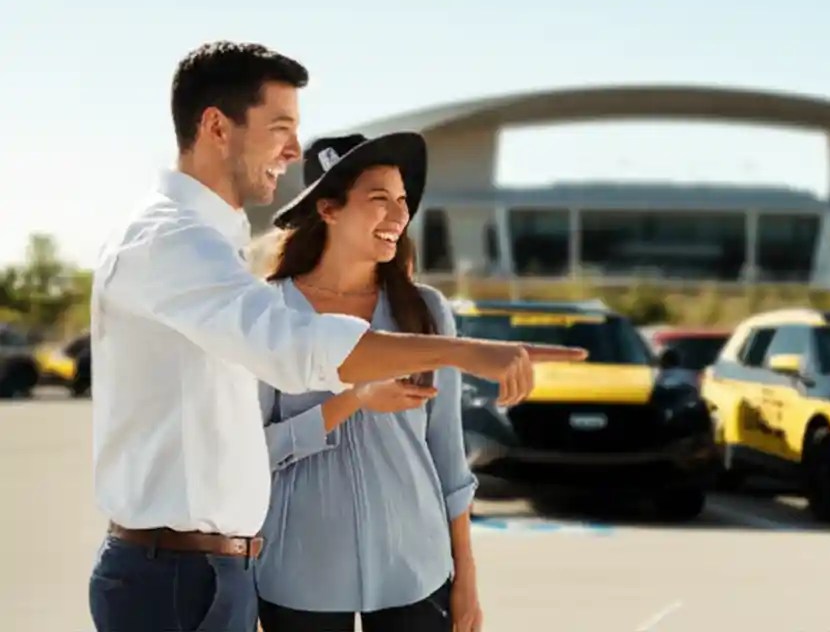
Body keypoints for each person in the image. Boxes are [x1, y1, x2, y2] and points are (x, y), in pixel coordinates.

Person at [87, 41, 585, 632]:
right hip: (187, 574)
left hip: (225, 571)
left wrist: (464, 576)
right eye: (280, 128)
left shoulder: (215, 251)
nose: (293, 149)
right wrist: (462, 354)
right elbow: (296, 348)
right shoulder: (174, 243)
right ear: (217, 126)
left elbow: (444, 461)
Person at [253, 131, 481, 631]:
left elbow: (448, 453)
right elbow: (249, 454)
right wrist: (354, 399)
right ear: (329, 209)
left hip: (417, 573)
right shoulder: (269, 312)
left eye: (402, 201)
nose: (399, 215)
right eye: (380, 199)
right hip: (298, 576)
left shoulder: (425, 312)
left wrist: (466, 578)